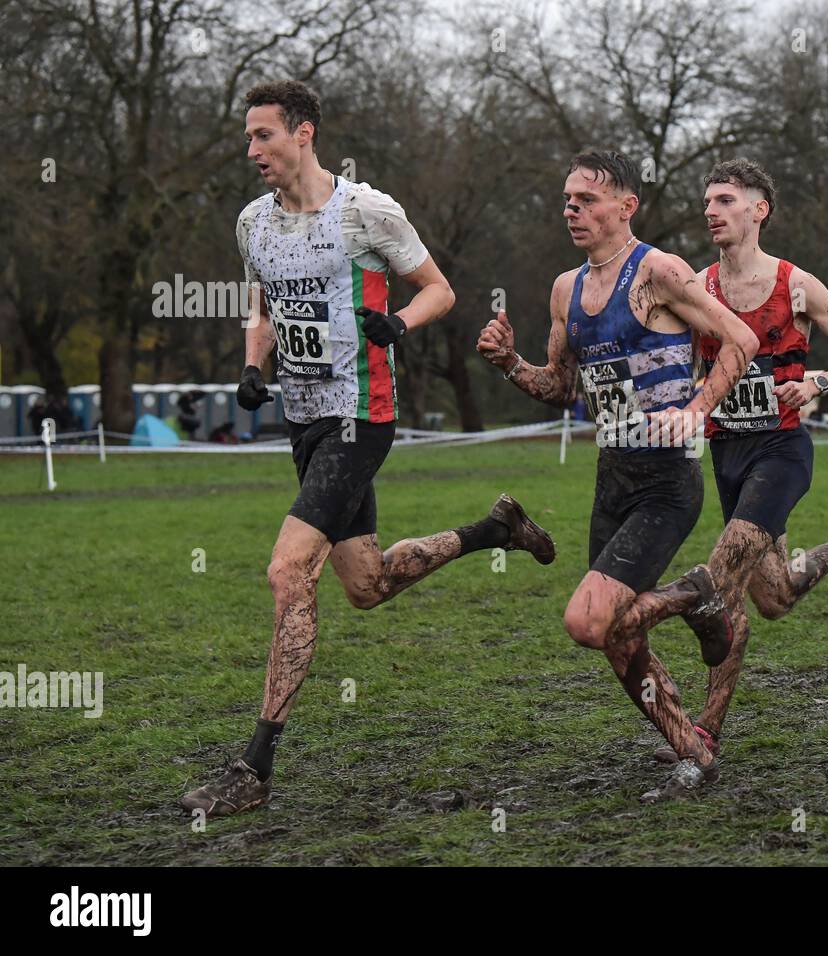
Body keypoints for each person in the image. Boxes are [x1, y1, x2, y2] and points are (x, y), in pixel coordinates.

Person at [180, 80, 556, 818]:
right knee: (367, 583)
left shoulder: (366, 211)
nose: (252, 150)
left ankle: (253, 766)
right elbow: (260, 309)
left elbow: (440, 289)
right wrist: (253, 370)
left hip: (362, 414)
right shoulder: (252, 223)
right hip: (306, 418)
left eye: (264, 135)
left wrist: (402, 325)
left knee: (290, 571)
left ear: (305, 132)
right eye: (249, 138)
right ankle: (496, 529)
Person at [477, 149, 758, 801]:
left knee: (590, 620)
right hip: (612, 479)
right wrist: (510, 363)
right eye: (567, 199)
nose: (571, 208)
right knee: (618, 640)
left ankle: (694, 594)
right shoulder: (564, 290)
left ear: (626, 206)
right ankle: (691, 749)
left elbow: (740, 339)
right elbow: (561, 386)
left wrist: (694, 410)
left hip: (666, 481)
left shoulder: (657, 271)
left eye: (587, 199)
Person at [608, 159, 828, 765]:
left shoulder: (797, 284)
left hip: (781, 452)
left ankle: (705, 729)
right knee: (775, 593)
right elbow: (671, 358)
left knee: (724, 573)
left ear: (758, 210)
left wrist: (819, 380)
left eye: (725, 200)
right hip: (726, 454)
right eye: (707, 201)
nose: (711, 210)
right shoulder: (697, 288)